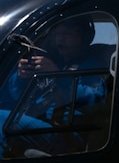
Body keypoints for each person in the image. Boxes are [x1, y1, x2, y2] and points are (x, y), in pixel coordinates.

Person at [0, 17, 112, 155]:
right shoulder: (56, 63)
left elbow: (96, 100)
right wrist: (21, 77)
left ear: (84, 36)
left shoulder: (93, 65)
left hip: (67, 135)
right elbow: (17, 96)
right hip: (47, 126)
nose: (61, 39)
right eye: (58, 34)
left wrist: (59, 76)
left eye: (67, 34)